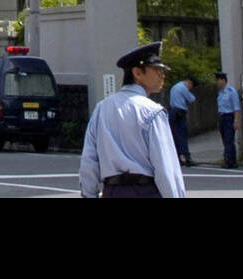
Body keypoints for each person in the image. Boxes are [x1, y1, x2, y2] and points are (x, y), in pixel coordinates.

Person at [79, 41, 186, 198]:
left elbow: (89, 160)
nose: (162, 75)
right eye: (156, 70)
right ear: (137, 73)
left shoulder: (101, 108)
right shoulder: (152, 112)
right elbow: (165, 168)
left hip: (112, 191)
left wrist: (89, 194)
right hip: (145, 191)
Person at [168, 76, 196, 167]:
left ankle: (178, 157)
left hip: (172, 111)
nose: (190, 88)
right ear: (189, 82)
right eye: (191, 86)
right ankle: (187, 157)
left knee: (175, 135)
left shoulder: (175, 87)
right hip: (180, 112)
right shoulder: (183, 88)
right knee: (182, 135)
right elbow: (191, 99)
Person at [215, 72, 241, 168]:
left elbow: (236, 108)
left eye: (218, 80)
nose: (217, 82)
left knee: (229, 139)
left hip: (229, 117)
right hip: (222, 117)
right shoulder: (220, 92)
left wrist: (236, 121)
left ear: (223, 80)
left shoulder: (231, 91)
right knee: (225, 140)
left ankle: (228, 160)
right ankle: (233, 160)